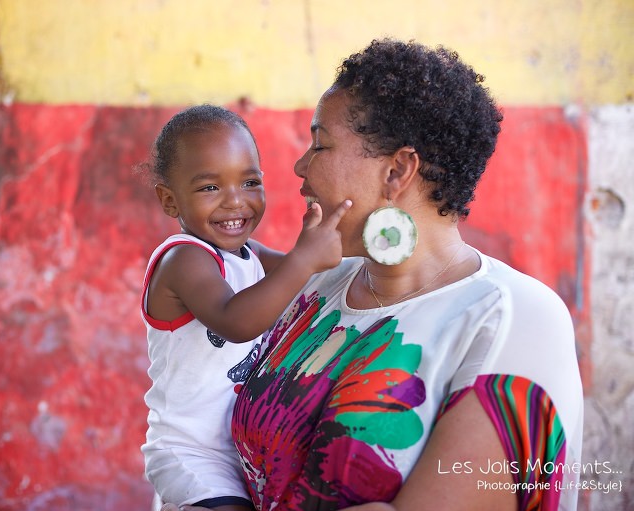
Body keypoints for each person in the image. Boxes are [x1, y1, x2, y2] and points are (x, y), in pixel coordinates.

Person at [163, 39, 584, 511]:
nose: (300, 166)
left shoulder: (514, 317)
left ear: (396, 171)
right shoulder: (313, 288)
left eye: (320, 144)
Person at [139, 104, 352, 510]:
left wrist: (328, 245)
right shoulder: (184, 260)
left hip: (243, 451)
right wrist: (304, 258)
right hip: (191, 451)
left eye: (250, 182)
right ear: (169, 200)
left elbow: (307, 278)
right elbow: (236, 321)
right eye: (209, 188)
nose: (236, 202)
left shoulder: (247, 253)